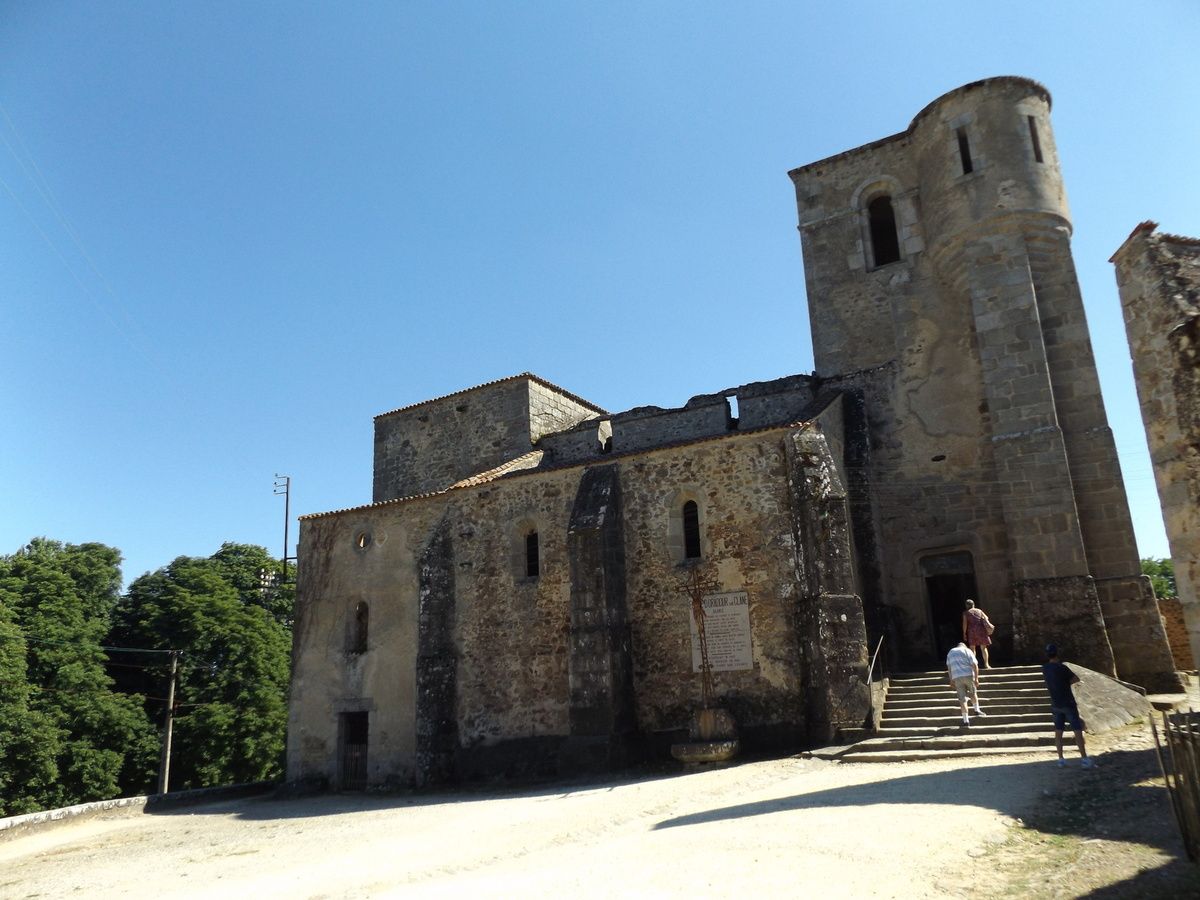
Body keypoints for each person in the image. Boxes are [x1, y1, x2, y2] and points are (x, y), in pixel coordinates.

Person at [1042, 643, 1094, 768]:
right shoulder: (1062, 668)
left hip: (1055, 703)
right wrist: (1066, 682)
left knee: (1058, 731)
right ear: (1057, 654)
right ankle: (1084, 759)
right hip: (1068, 702)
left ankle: (1060, 759)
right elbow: (1076, 678)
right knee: (1077, 730)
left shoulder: (1045, 668)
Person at [946, 640, 986, 726]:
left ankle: (966, 720)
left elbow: (949, 667)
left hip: (956, 677)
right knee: (973, 693)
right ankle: (977, 710)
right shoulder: (967, 650)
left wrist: (951, 679)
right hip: (968, 675)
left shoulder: (950, 652)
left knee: (962, 699)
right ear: (964, 646)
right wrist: (976, 678)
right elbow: (975, 665)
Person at [962, 598, 993, 669]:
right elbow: (986, 618)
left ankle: (974, 666)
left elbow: (965, 624)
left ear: (966, 606)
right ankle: (986, 664)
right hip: (981, 630)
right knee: (984, 648)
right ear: (973, 604)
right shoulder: (979, 611)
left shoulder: (966, 613)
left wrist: (964, 633)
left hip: (971, 631)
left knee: (972, 648)